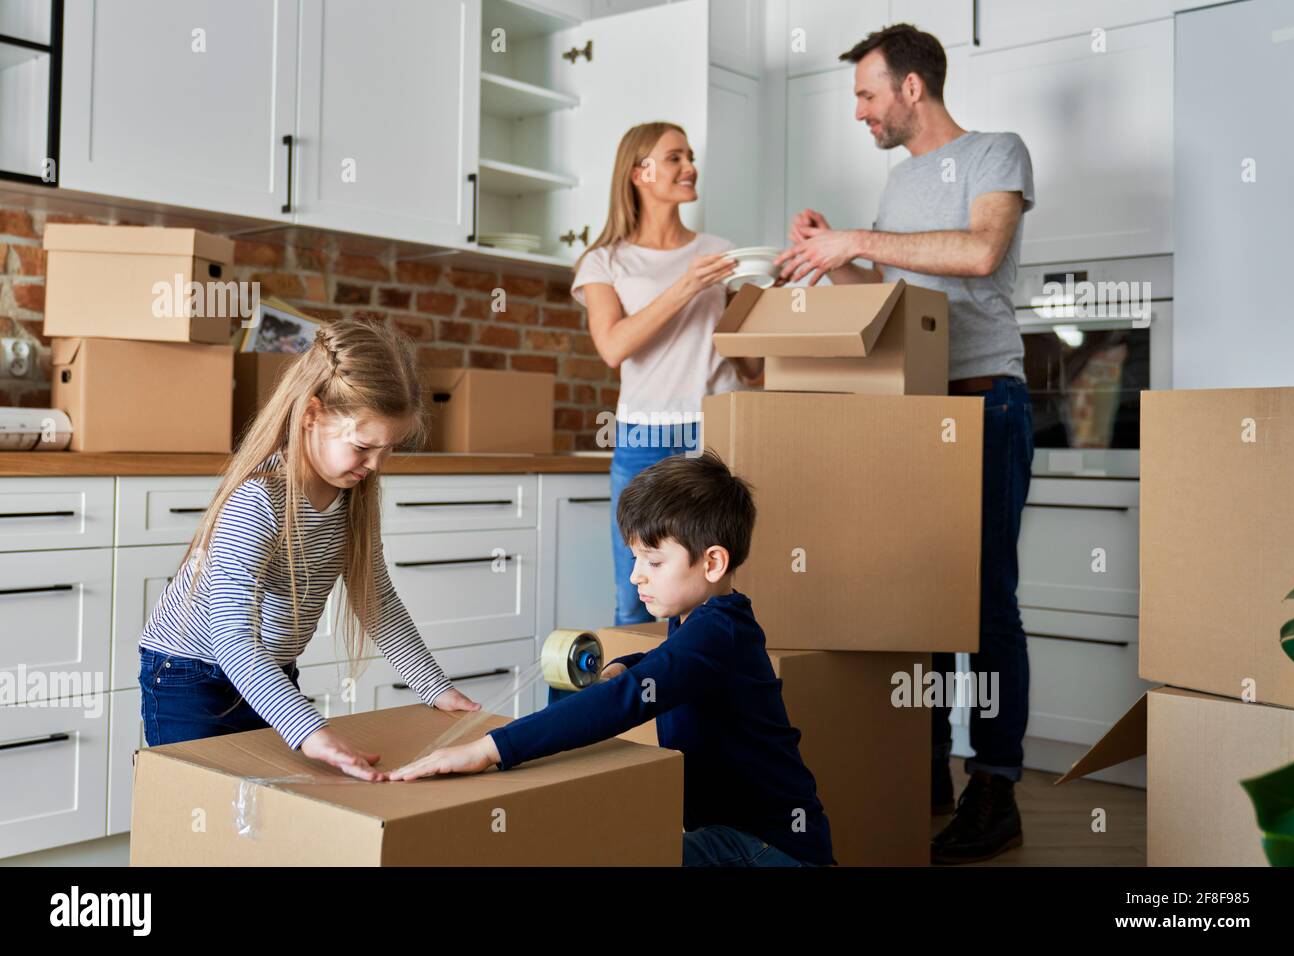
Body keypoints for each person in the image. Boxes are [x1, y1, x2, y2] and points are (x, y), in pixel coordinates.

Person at [775, 23, 1035, 864]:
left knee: (983, 603)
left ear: (911, 88)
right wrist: (832, 249)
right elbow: (891, 289)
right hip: (913, 407)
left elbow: (979, 251)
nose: (859, 111)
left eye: (865, 92)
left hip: (985, 399)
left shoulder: (997, 154)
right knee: (918, 597)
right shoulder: (898, 185)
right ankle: (920, 768)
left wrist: (858, 239)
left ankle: (994, 789)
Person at [387, 451, 835, 868]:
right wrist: (629, 664)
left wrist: (488, 749)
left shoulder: (719, 633)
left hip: (771, 848)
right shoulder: (703, 621)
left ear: (713, 562)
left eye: (654, 561)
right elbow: (670, 662)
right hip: (734, 834)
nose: (636, 575)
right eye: (635, 557)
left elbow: (624, 702)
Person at [138, 317, 479, 780]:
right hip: (190, 677)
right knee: (203, 813)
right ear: (312, 415)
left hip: (267, 672)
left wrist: (435, 687)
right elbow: (231, 636)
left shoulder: (352, 498)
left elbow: (374, 600)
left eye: (388, 450)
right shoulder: (259, 502)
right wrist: (309, 729)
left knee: (266, 817)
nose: (375, 465)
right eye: (363, 447)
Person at [571, 121, 760, 628]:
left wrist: (760, 309)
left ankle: (702, 704)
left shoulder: (720, 252)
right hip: (646, 436)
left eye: (690, 156)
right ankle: (643, 707)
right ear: (639, 172)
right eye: (674, 157)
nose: (689, 166)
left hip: (717, 429)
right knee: (638, 597)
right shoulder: (605, 261)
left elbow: (752, 367)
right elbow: (613, 346)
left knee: (716, 588)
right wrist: (686, 286)